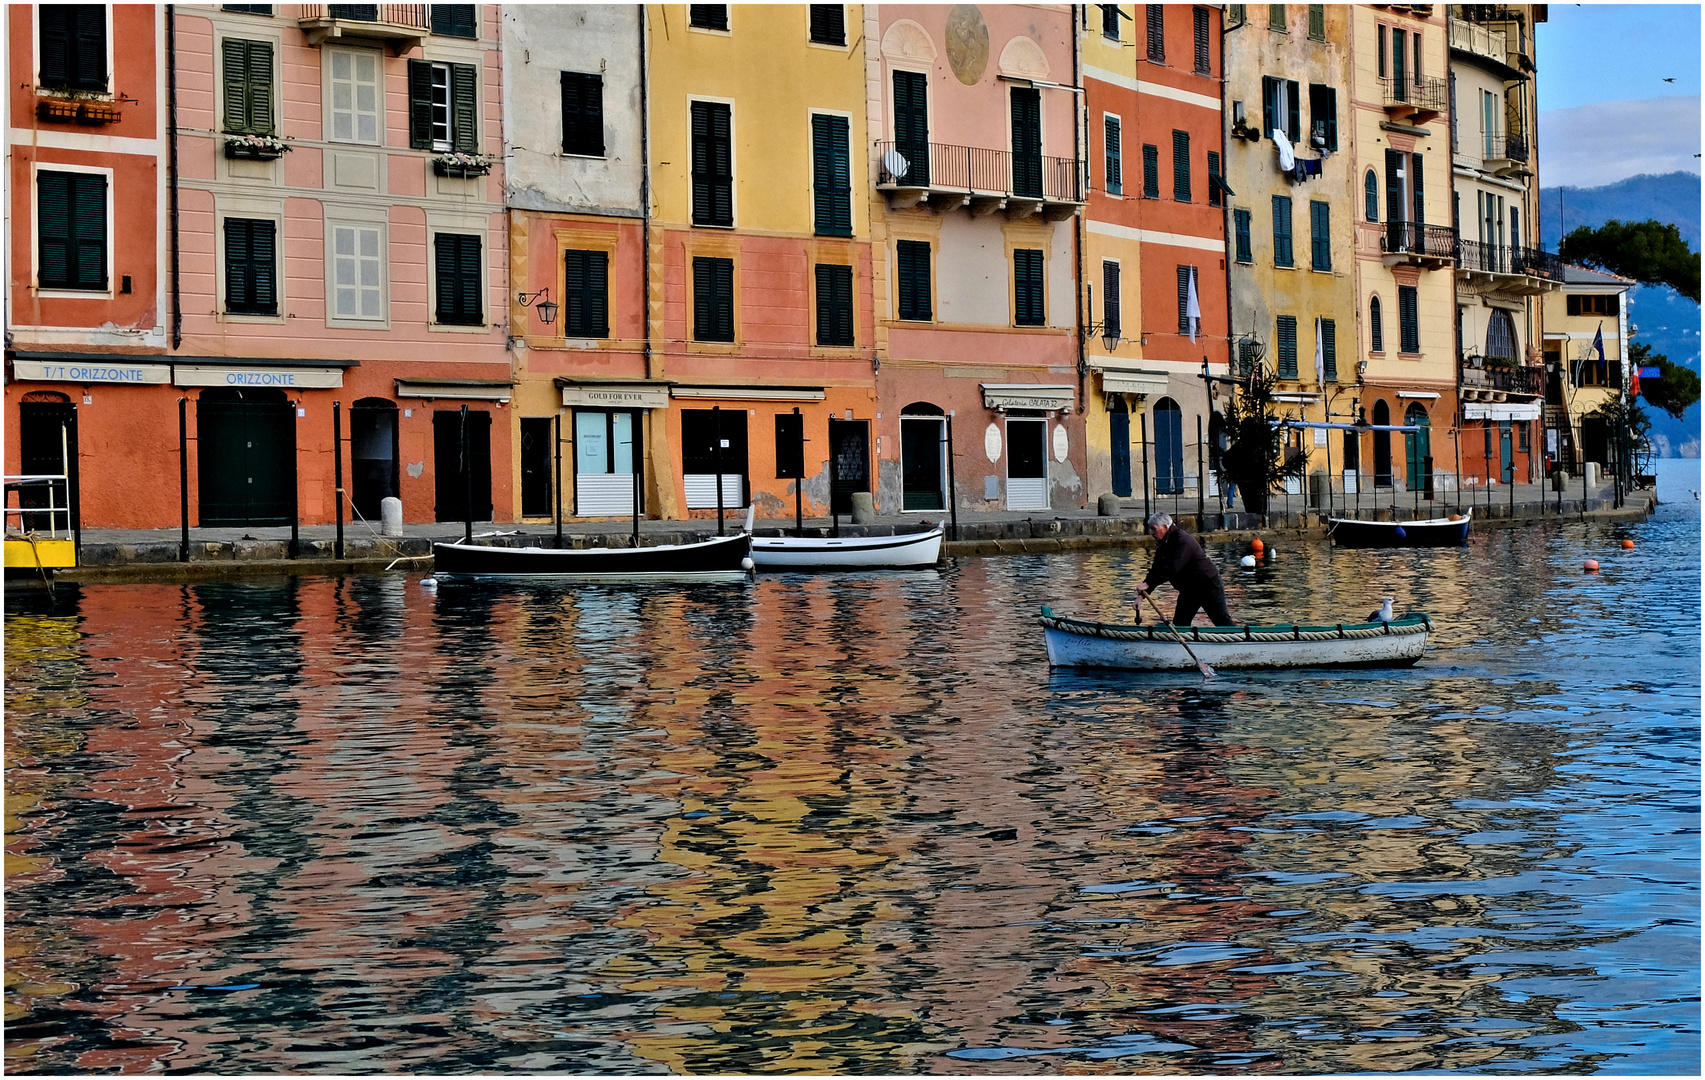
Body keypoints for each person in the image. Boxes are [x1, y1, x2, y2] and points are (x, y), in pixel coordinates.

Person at [1134, 513, 1236, 627]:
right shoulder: (1164, 543)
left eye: (1153, 529)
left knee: (1222, 621)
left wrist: (1148, 583)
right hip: (1189, 588)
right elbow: (1156, 569)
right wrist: (1141, 596)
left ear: (1165, 527)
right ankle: (1180, 637)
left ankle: (1239, 637)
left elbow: (1172, 568)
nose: (1151, 532)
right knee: (1180, 623)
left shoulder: (1183, 540)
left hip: (1207, 585)